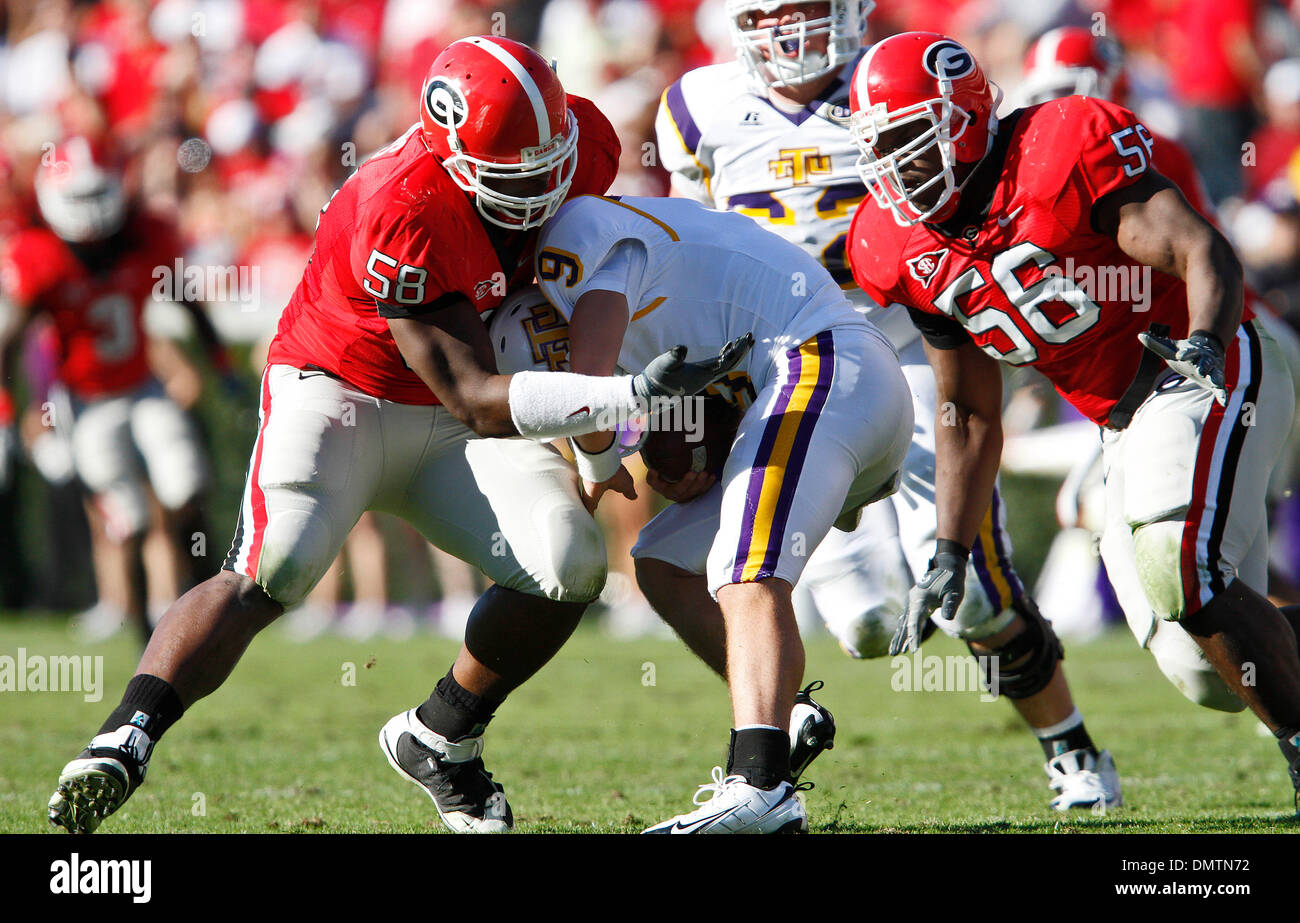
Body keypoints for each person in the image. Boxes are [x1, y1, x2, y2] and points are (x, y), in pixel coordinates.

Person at [45, 35, 744, 836]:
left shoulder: (573, 139)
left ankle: (443, 734)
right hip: (343, 393)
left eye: (550, 161)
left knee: (568, 563)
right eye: (514, 176)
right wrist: (618, 405)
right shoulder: (396, 205)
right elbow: (478, 397)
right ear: (450, 154)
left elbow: (581, 277)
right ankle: (123, 737)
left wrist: (602, 433)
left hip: (458, 412)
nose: (543, 187)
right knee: (273, 569)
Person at [653, 0, 1121, 809]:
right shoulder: (696, 108)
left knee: (971, 585)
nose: (796, 34)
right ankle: (778, 727)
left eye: (811, 12)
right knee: (866, 624)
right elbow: (692, 247)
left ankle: (1072, 746)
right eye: (776, 15)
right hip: (783, 368)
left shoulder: (890, 82)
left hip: (905, 350)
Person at [847, 31, 1300, 807]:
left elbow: (1201, 249)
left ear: (959, 120)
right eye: (881, 151)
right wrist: (952, 549)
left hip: (1203, 368)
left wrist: (1203, 346)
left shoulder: (1059, 145)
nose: (897, 171)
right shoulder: (898, 241)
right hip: (1119, 424)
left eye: (910, 144)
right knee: (1210, 675)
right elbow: (969, 407)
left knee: (1180, 566)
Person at [529, 192, 913, 833]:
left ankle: (759, 785)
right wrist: (690, 453)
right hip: (810, 391)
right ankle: (783, 720)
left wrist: (593, 475)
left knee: (747, 570)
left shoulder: (575, 236)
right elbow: (692, 383)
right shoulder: (634, 249)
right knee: (663, 563)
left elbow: (590, 389)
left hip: (828, 365)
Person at [0, 138, 222, 645]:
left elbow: (187, 299)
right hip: (85, 401)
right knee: (128, 515)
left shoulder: (145, 235)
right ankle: (145, 624)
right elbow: (10, 341)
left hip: (143, 387)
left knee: (186, 485)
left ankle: (202, 589)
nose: (89, 214)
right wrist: (12, 409)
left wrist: (221, 361)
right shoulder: (40, 254)